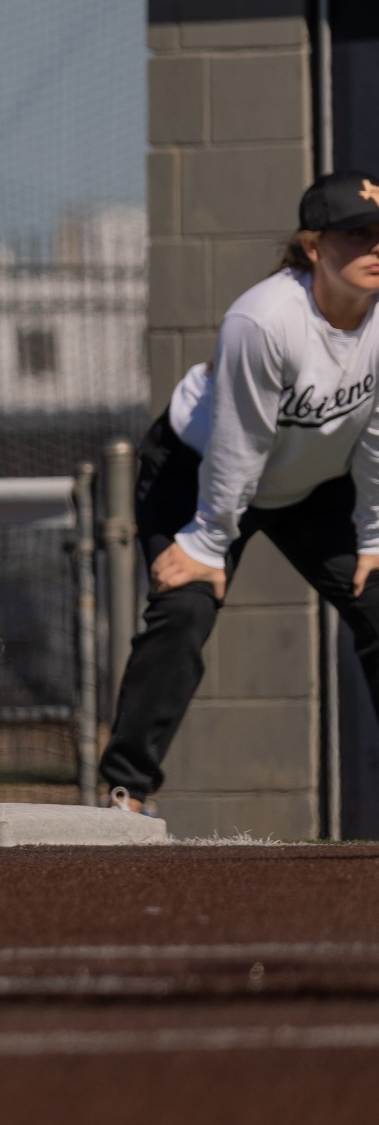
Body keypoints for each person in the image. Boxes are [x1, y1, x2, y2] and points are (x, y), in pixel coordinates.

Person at [102, 169, 379, 816]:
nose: (375, 248)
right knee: (185, 608)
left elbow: (376, 433)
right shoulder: (263, 320)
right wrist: (205, 542)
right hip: (200, 470)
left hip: (308, 482)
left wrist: (373, 534)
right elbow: (239, 445)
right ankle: (124, 790)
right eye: (356, 235)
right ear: (312, 247)